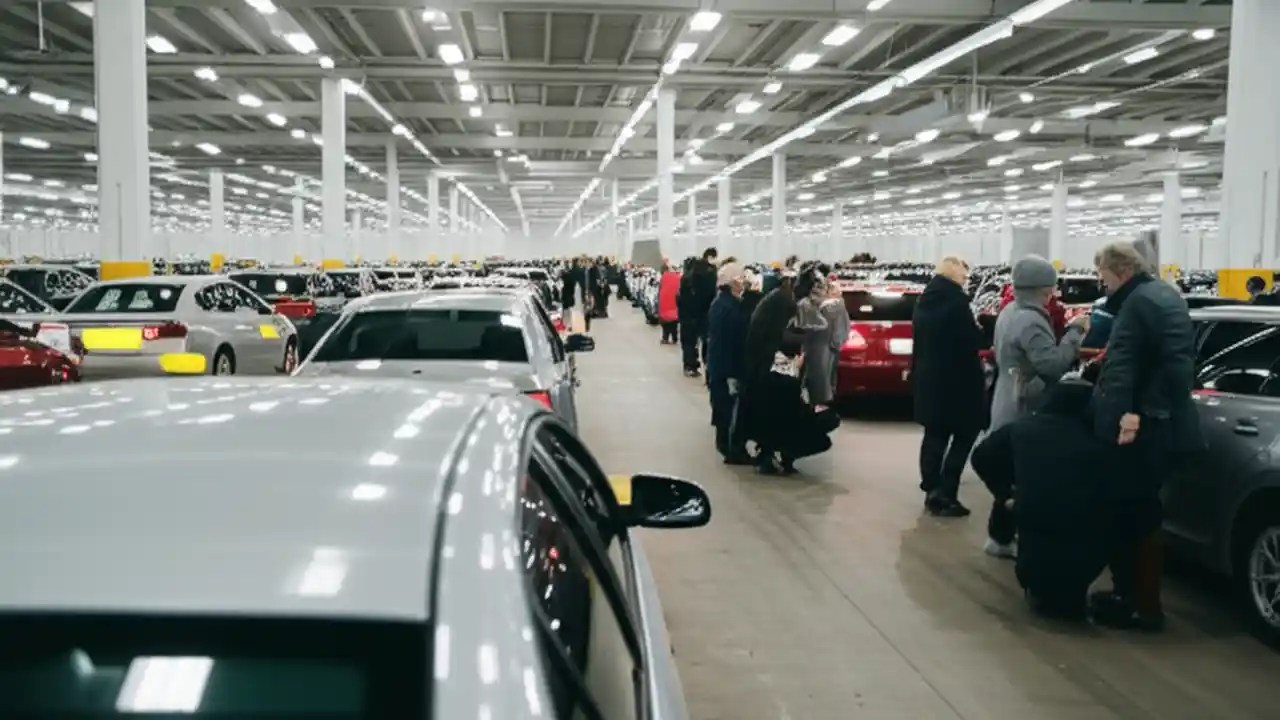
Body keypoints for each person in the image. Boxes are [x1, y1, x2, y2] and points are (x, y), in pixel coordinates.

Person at [1088, 241, 1200, 632]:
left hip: (1140, 426)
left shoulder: (1137, 304)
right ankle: (1142, 598)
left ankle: (1133, 601)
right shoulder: (1164, 296)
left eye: (1103, 277)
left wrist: (1116, 420)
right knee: (1145, 512)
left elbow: (1126, 370)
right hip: (1163, 421)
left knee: (1127, 512)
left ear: (1119, 271)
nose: (1103, 286)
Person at [971, 381, 1112, 620]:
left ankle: (1006, 543)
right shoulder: (1100, 441)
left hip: (1033, 519)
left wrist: (1005, 494)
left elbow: (981, 457)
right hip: (1086, 532)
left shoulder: (1021, 429)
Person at [910, 256, 986, 518]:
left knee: (935, 434)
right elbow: (971, 340)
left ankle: (931, 488)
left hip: (930, 378)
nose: (966, 282)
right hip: (959, 381)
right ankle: (947, 492)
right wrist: (980, 328)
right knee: (965, 434)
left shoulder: (924, 300)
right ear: (957, 276)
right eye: (965, 277)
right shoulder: (956, 302)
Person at [989, 255, 1088, 433]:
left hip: (1006, 397)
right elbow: (1053, 366)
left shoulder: (1009, 311)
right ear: (1046, 289)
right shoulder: (1031, 321)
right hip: (1023, 406)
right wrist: (1075, 331)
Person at [706, 262, 751, 465]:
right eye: (740, 278)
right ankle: (732, 450)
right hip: (726, 369)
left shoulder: (721, 304)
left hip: (719, 367)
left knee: (724, 408)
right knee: (728, 410)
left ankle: (729, 447)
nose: (744, 282)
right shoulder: (729, 308)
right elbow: (735, 341)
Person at [677, 248, 718, 377]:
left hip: (687, 313)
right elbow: (712, 295)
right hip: (704, 313)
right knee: (707, 340)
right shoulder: (710, 273)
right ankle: (707, 366)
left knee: (689, 341)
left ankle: (690, 365)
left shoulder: (687, 275)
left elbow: (679, 296)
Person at [657, 263, 681, 345]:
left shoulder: (664, 277)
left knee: (665, 322)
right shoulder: (678, 276)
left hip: (664, 301)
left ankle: (665, 337)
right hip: (674, 301)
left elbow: (660, 289)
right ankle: (674, 337)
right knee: (674, 320)